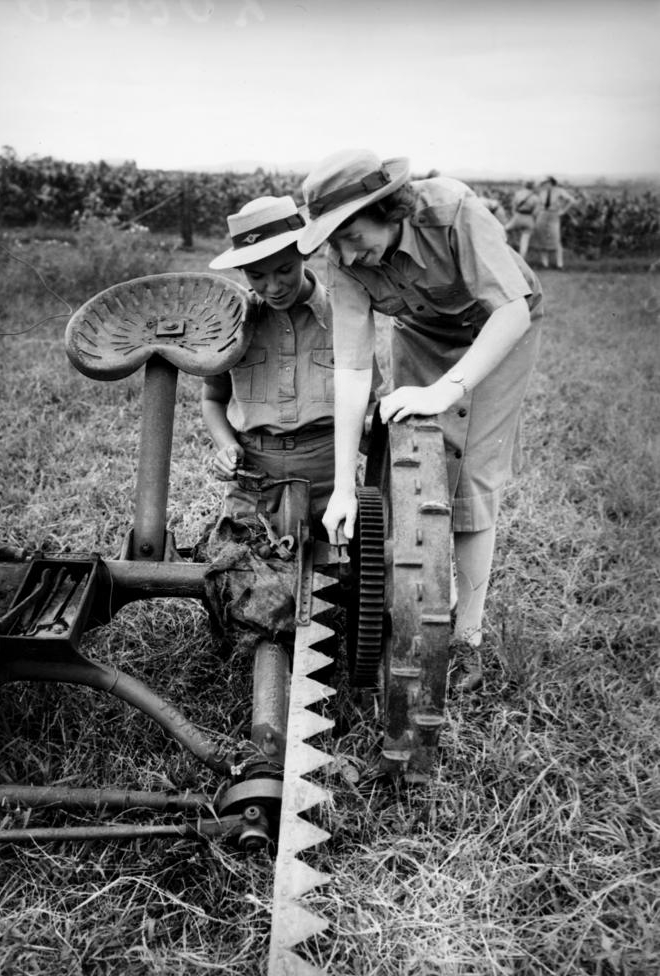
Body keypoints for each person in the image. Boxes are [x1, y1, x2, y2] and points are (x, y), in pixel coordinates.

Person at [297, 149, 544, 691]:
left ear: (387, 208)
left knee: (469, 479)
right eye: (332, 240)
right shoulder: (346, 261)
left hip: (498, 331)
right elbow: (353, 368)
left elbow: (513, 310)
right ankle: (423, 601)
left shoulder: (453, 211)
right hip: (422, 335)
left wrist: (448, 389)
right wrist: (342, 489)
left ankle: (467, 636)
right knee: (408, 467)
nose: (344, 252)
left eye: (351, 233)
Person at [203, 195, 335, 526]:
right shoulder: (231, 322)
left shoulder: (343, 315)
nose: (273, 287)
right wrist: (225, 448)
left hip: (328, 479)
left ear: (305, 253)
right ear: (241, 270)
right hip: (253, 481)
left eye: (285, 270)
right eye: (257, 275)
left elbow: (366, 403)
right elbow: (212, 398)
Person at [530, 175, 576, 269]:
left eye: (546, 183)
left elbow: (571, 200)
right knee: (541, 239)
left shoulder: (559, 191)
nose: (544, 185)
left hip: (554, 215)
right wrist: (534, 215)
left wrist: (563, 211)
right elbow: (539, 205)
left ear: (551, 183)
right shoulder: (542, 192)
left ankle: (559, 264)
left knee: (556, 239)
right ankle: (544, 264)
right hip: (542, 215)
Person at [505, 179, 540, 260]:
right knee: (525, 241)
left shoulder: (518, 194)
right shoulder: (535, 197)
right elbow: (536, 212)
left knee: (505, 230)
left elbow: (513, 207)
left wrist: (515, 216)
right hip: (529, 218)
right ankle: (522, 259)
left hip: (518, 215)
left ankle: (507, 251)